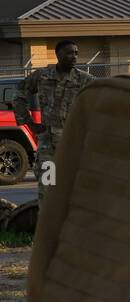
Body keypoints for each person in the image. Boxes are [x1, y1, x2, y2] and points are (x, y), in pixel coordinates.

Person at [14, 39, 93, 202]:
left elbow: (102, 99)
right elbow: (19, 94)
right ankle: (47, 225)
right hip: (48, 145)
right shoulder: (42, 75)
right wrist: (29, 122)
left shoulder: (84, 79)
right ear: (58, 54)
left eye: (76, 53)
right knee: (48, 189)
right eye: (70, 53)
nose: (74, 57)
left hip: (73, 143)